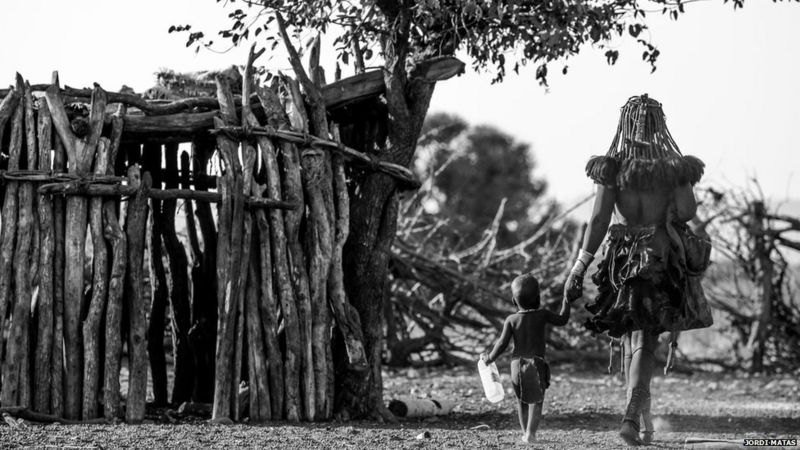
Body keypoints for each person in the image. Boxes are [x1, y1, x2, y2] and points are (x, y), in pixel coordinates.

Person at [565, 94, 713, 446]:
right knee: (646, 339)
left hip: (622, 261)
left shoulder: (612, 167)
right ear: (660, 126)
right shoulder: (675, 168)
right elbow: (688, 210)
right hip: (660, 256)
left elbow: (599, 219)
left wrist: (580, 266)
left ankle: (640, 420)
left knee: (633, 337)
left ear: (626, 125)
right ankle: (634, 416)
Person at [481, 273, 571, 443]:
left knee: (521, 401)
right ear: (538, 298)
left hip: (516, 366)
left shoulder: (511, 319)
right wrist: (567, 299)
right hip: (535, 363)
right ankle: (531, 433)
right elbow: (563, 319)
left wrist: (489, 359)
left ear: (514, 301)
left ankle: (525, 433)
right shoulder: (542, 314)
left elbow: (501, 344)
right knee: (536, 401)